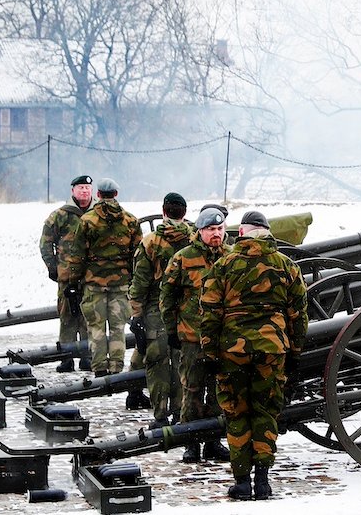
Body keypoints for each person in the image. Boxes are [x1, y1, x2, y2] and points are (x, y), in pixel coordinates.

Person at [200, 210, 307, 500]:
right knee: (265, 412)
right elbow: (298, 314)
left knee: (236, 413)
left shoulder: (223, 265)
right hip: (272, 350)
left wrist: (209, 353)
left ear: (242, 233)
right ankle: (263, 481)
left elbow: (210, 314)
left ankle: (242, 482)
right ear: (268, 232)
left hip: (232, 350)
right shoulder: (286, 265)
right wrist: (294, 351)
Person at [159, 206, 232, 463]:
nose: (216, 234)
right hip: (192, 337)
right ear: (200, 231)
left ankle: (213, 442)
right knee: (191, 391)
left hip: (222, 338)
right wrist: (171, 330)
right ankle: (190, 443)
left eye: (220, 229)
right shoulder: (183, 258)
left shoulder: (231, 257)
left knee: (217, 393)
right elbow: (167, 297)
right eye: (211, 230)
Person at [59, 178, 142, 377]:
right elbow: (137, 255)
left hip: (93, 285)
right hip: (121, 285)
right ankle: (115, 368)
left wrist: (72, 281)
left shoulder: (87, 221)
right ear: (116, 194)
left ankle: (99, 369)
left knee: (95, 328)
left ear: (98, 195)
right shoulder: (130, 221)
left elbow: (77, 255)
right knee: (117, 328)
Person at [128, 192, 193, 428]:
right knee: (181, 363)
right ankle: (179, 412)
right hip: (186, 309)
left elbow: (140, 283)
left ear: (164, 212)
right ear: (184, 213)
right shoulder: (195, 239)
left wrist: (136, 314)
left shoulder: (151, 242)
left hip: (156, 310)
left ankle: (160, 415)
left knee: (156, 364)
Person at [39, 175, 94, 372]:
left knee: (89, 316)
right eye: (80, 188)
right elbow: (45, 242)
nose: (84, 191)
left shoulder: (98, 215)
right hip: (67, 276)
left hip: (91, 276)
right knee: (67, 318)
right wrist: (53, 268)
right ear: (73, 191)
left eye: (87, 188)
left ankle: (87, 357)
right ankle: (67, 358)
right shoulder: (60, 216)